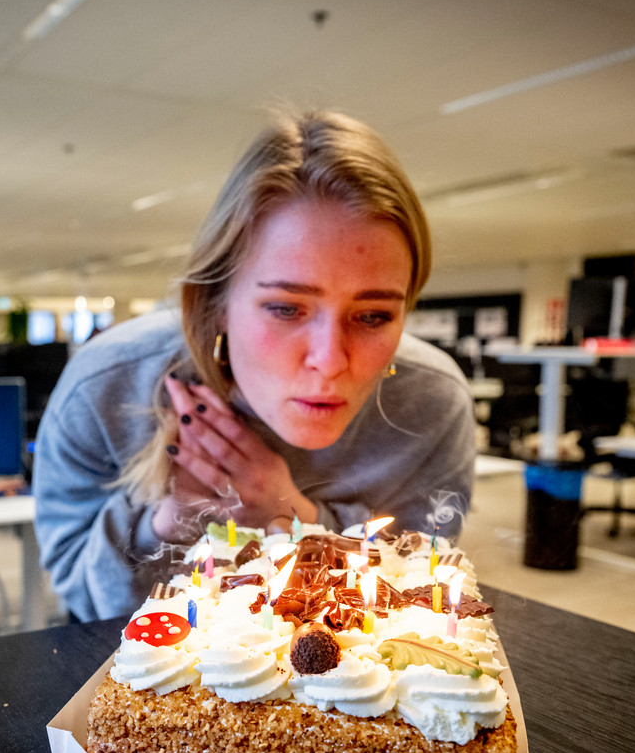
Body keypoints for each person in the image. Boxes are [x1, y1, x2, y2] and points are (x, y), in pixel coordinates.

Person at [34, 110, 476, 622]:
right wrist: (174, 519)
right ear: (215, 301)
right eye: (287, 308)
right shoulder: (106, 386)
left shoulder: (432, 404)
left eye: (374, 316)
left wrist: (288, 517)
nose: (330, 361)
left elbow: (413, 601)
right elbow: (83, 603)